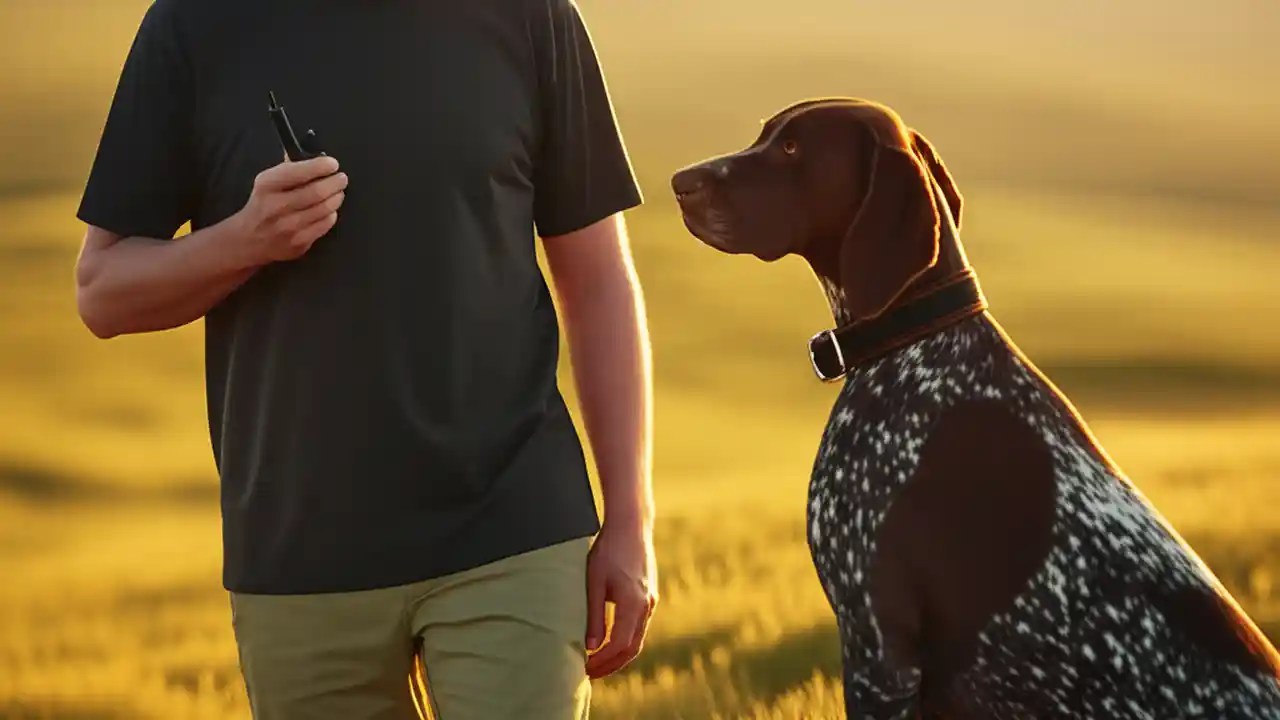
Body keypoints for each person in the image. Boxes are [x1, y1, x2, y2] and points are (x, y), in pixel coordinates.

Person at [72, 0, 657, 716]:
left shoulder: (529, 14)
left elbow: (597, 278)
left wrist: (630, 518)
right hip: (298, 554)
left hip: (512, 520)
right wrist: (248, 240)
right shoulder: (192, 23)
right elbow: (103, 291)